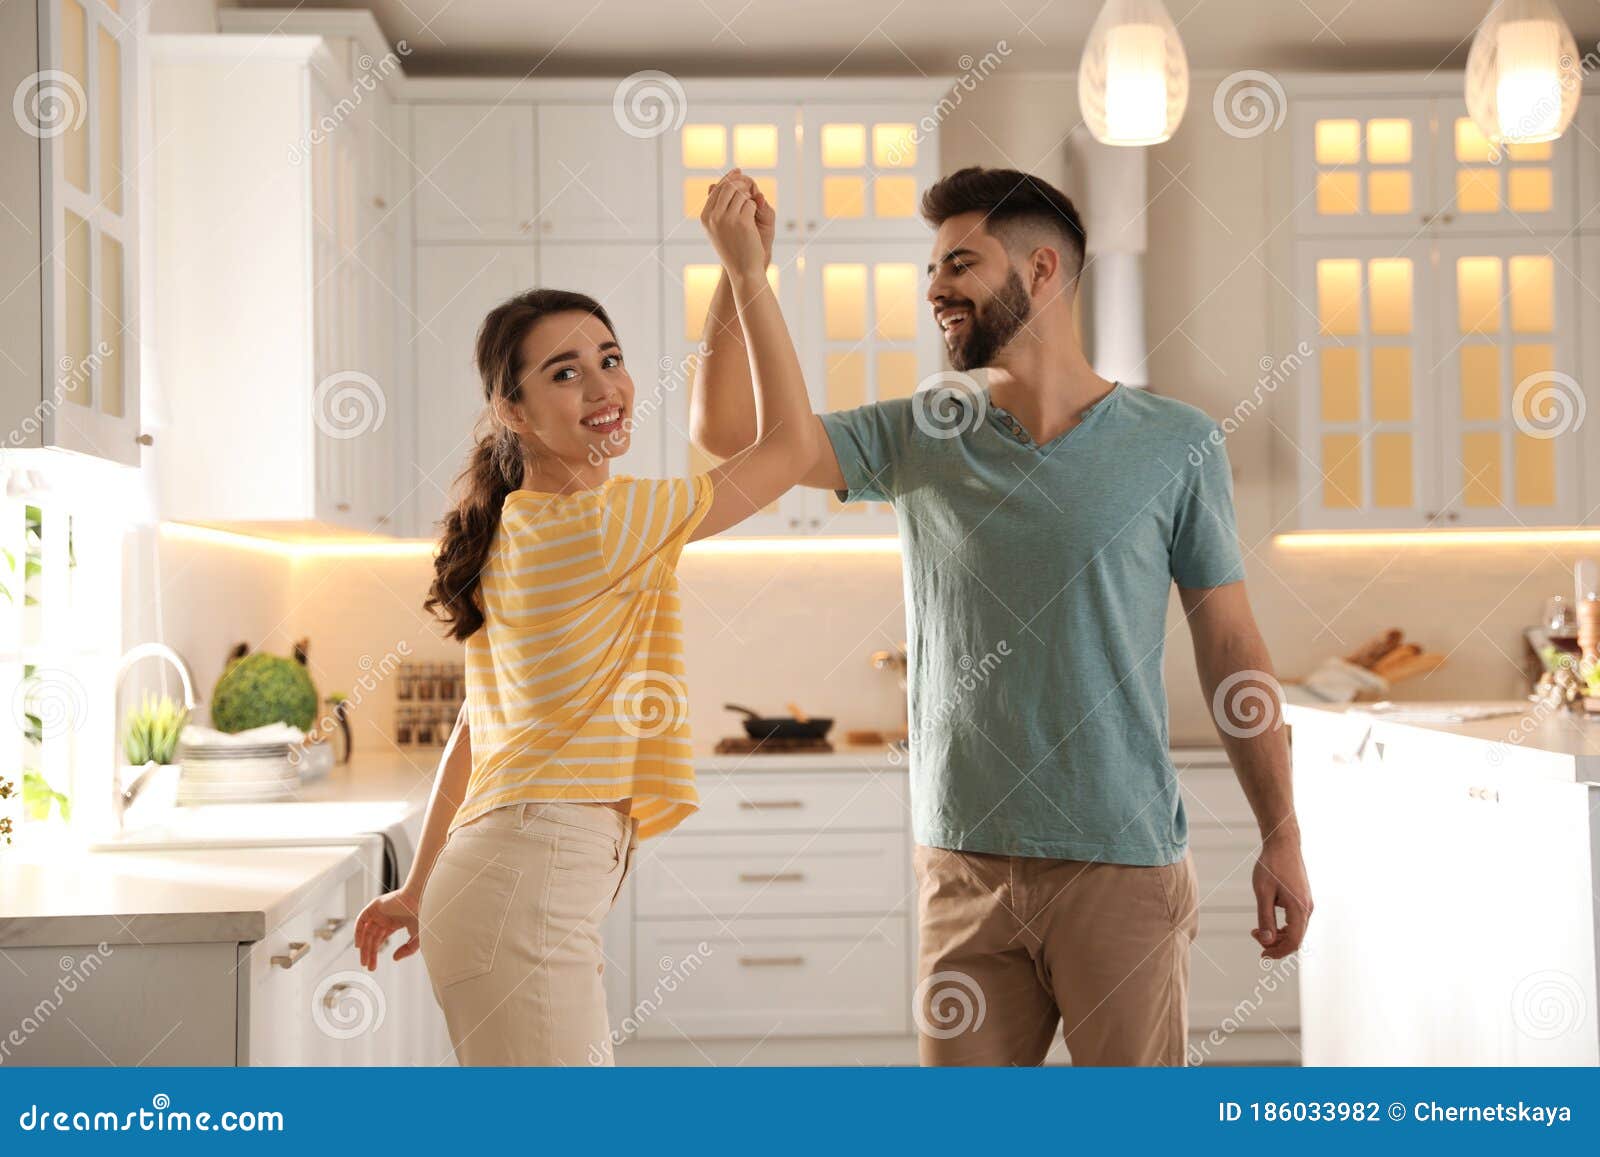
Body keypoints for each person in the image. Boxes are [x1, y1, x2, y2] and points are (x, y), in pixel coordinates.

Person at [690, 166, 1312, 1067]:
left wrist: (1281, 832)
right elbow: (734, 431)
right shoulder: (921, 430)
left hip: (1122, 863)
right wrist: (741, 273)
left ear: (1043, 270)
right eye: (932, 268)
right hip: (962, 865)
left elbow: (1229, 644)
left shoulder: (1176, 443)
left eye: (960, 263)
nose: (936, 286)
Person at [352, 170, 812, 1066]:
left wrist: (419, 882)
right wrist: (752, 277)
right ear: (511, 409)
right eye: (565, 372)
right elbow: (790, 444)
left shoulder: (522, 522)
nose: (604, 386)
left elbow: (477, 730)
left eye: (610, 357)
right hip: (528, 882)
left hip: (505, 879)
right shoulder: (603, 522)